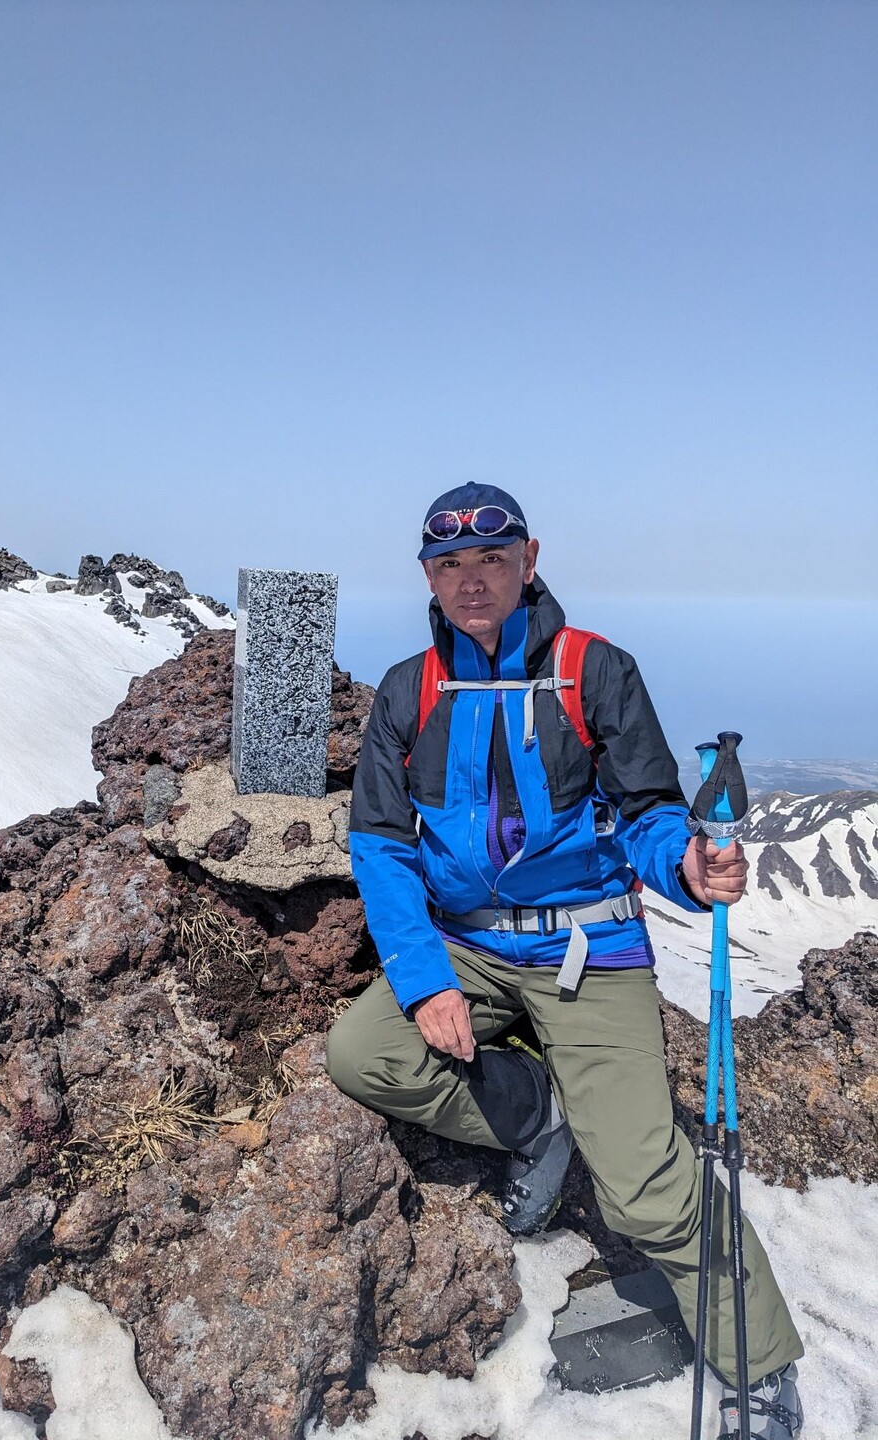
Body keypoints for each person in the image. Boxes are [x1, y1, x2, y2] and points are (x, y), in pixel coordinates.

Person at [326, 483, 804, 1440]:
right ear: (428, 575)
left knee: (643, 1185)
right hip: (467, 942)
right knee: (364, 1055)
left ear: (529, 561)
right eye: (451, 564)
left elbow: (649, 809)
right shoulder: (409, 690)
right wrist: (425, 980)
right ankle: (544, 1114)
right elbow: (380, 843)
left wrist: (687, 865)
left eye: (491, 560)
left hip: (588, 946)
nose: (471, 581)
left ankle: (758, 1366)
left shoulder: (595, 671)